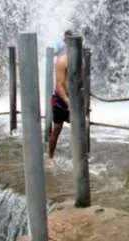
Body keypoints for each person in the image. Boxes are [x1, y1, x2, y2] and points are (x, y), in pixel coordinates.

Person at [47, 30, 72, 164]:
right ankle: (50, 157)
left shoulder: (80, 59)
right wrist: (68, 102)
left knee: (81, 128)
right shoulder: (62, 60)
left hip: (74, 100)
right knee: (56, 130)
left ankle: (80, 159)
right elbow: (59, 86)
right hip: (61, 100)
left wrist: (83, 102)